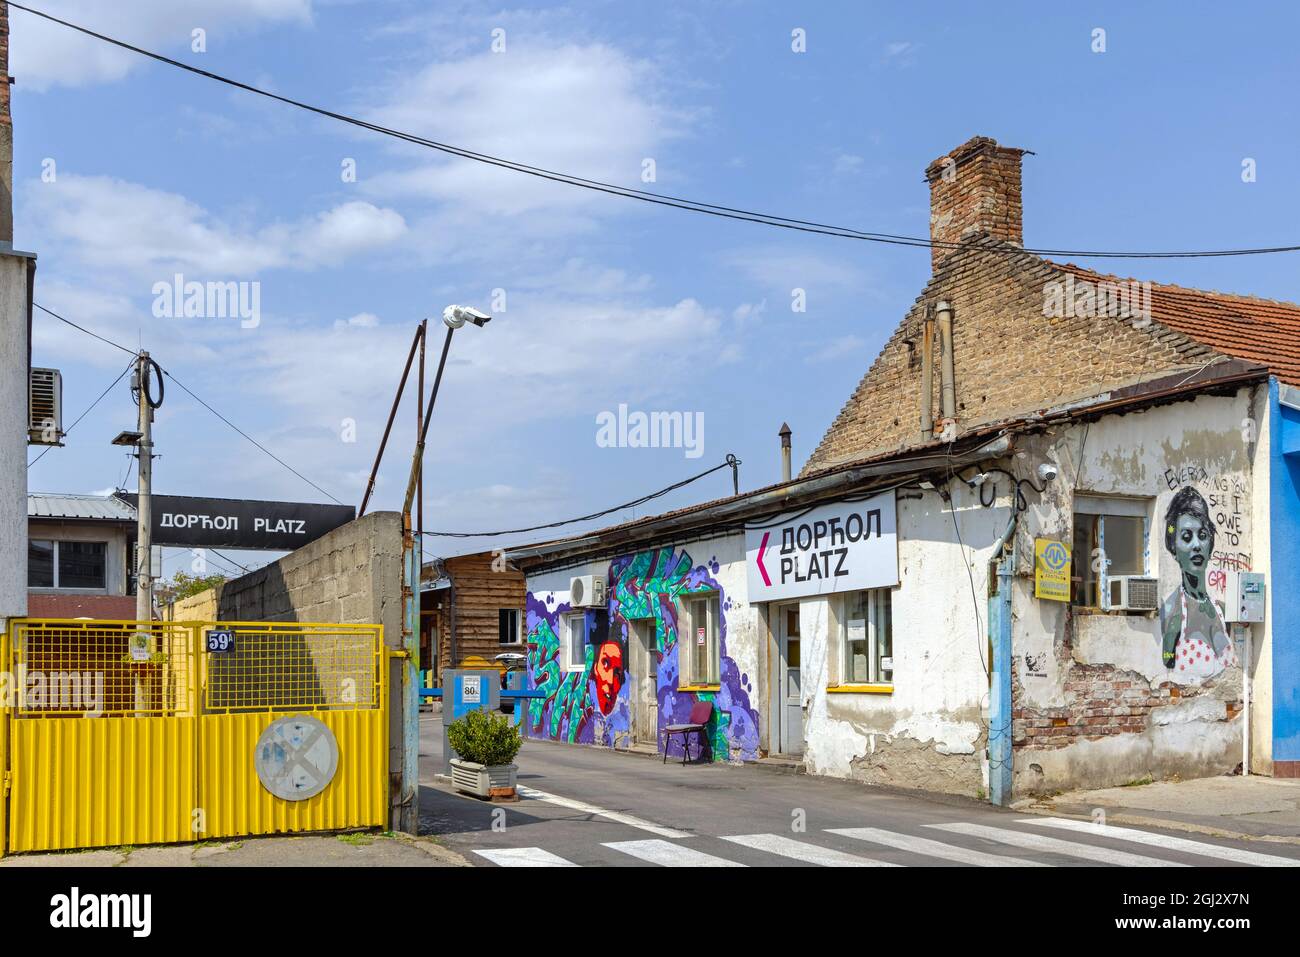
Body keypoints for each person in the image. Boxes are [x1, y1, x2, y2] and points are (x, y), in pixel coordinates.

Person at [1160, 487, 1235, 680]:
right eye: (1186, 537)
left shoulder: (1223, 611)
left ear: (1210, 546)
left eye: (1202, 535)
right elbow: (1167, 660)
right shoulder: (1171, 610)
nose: (1197, 545)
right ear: (1173, 547)